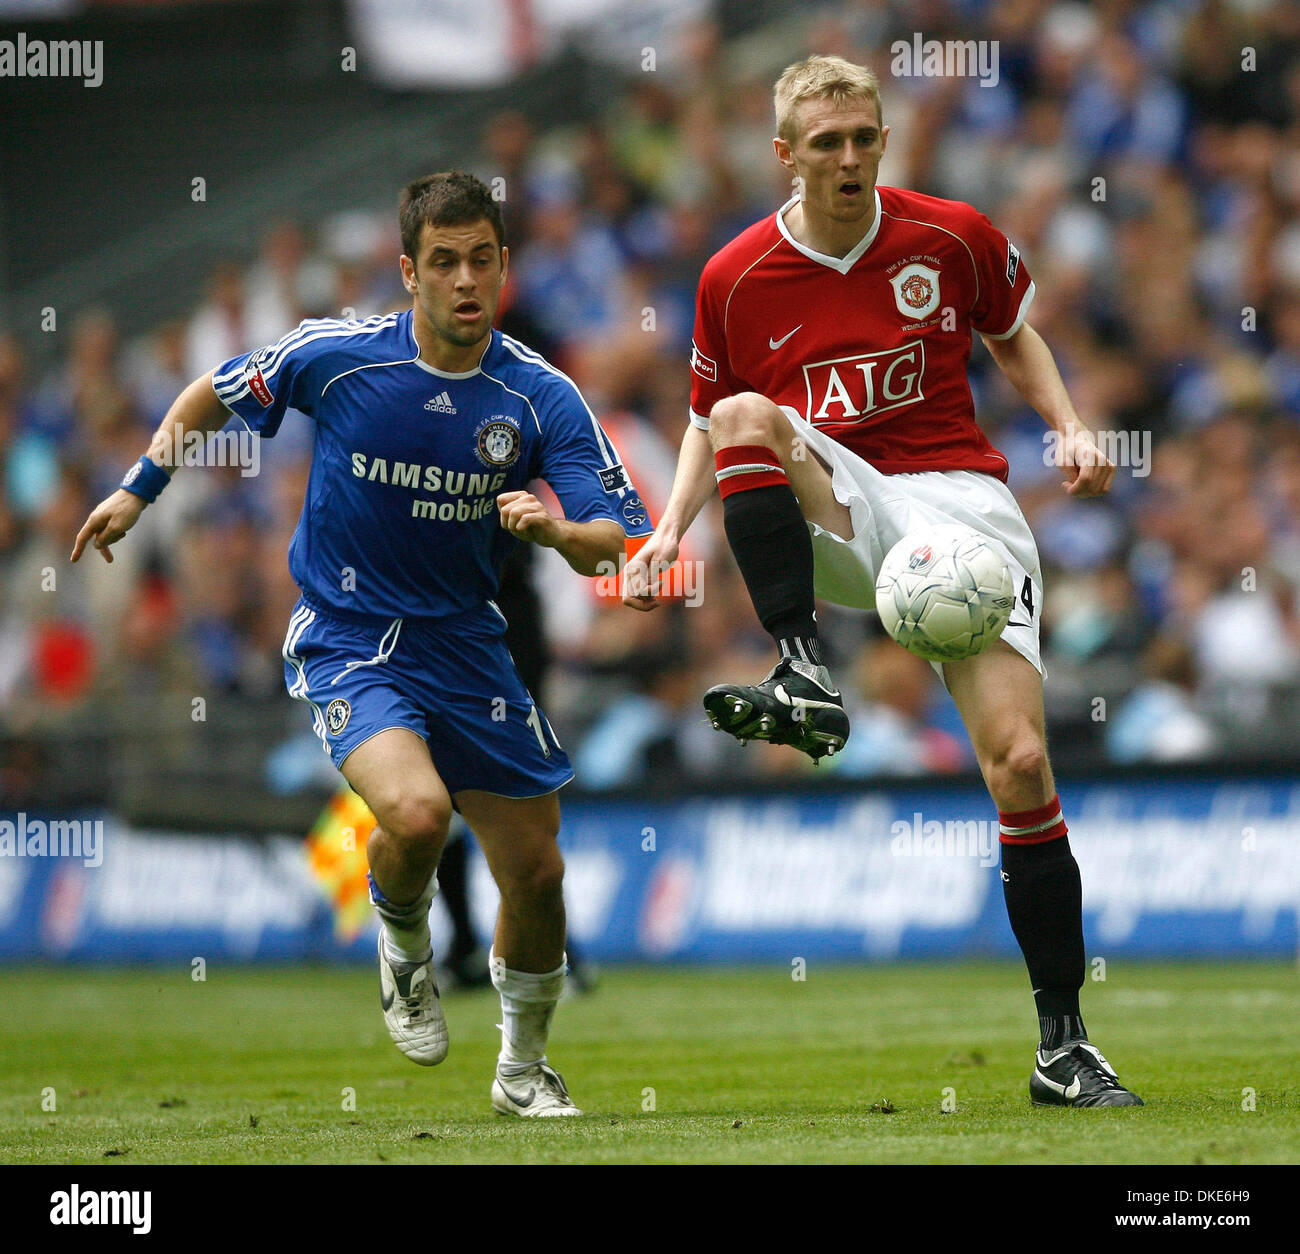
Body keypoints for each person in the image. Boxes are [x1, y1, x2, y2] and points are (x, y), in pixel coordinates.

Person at [73, 170, 652, 1117]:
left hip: (469, 645)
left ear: (504, 266)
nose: (464, 280)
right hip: (349, 636)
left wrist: (554, 531)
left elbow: (612, 541)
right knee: (417, 816)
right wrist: (139, 488)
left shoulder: (540, 395)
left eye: (481, 260)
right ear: (410, 273)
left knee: (538, 873)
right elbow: (211, 393)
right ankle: (403, 940)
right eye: (443, 262)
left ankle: (521, 1071)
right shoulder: (338, 357)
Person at [625, 56, 1141, 1108]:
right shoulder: (734, 276)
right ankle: (802, 669)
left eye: (864, 137)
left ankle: (1062, 1047)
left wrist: (1069, 425)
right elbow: (706, 423)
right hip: (836, 498)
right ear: (786, 154)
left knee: (1021, 764)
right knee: (743, 415)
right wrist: (665, 531)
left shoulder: (949, 235)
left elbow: (1012, 335)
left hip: (958, 505)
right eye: (827, 142)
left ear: (883, 140)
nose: (850, 157)